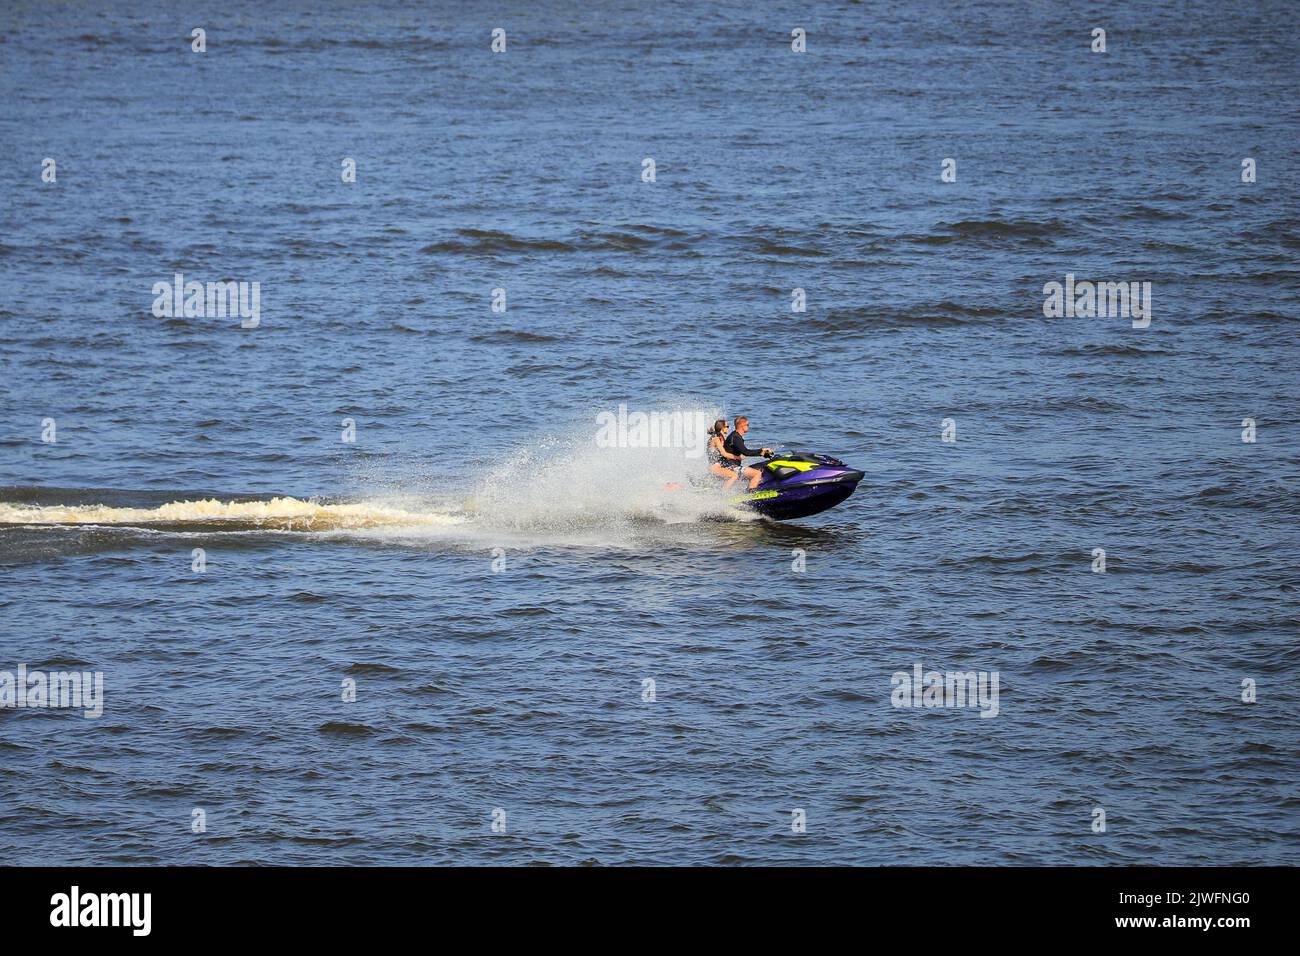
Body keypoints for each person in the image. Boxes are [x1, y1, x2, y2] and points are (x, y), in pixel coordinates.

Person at [723, 416, 773, 490]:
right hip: (731, 467)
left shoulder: (735, 436)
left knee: (759, 468)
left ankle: (751, 487)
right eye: (747, 425)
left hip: (732, 466)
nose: (748, 427)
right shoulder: (735, 438)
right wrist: (761, 451)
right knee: (757, 474)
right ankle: (750, 494)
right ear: (742, 426)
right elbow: (746, 452)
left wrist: (763, 453)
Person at [706, 419, 742, 489]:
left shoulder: (719, 437)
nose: (728, 428)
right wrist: (738, 457)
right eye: (727, 426)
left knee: (737, 474)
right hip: (715, 468)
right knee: (734, 476)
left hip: (719, 466)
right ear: (722, 428)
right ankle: (724, 494)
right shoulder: (716, 439)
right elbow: (724, 454)